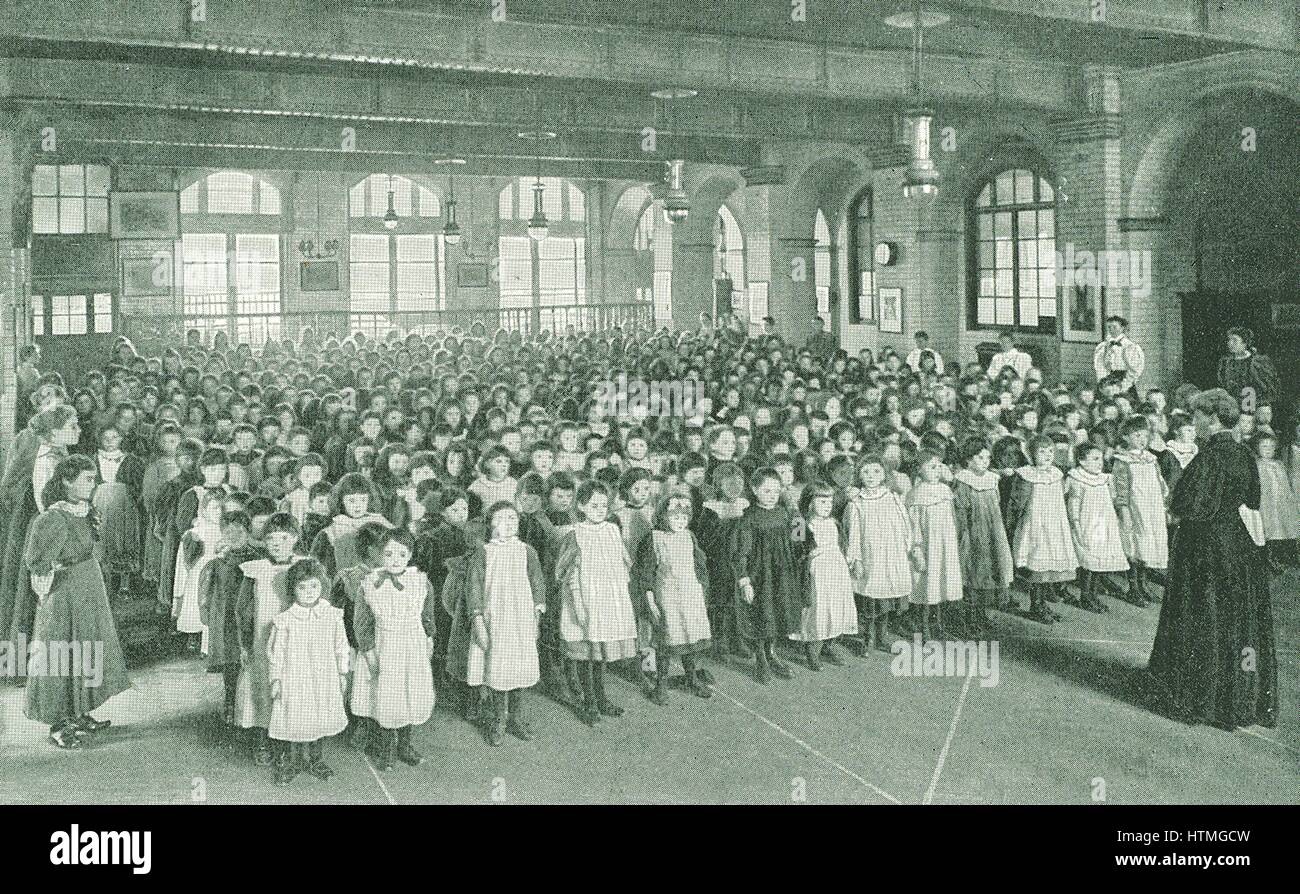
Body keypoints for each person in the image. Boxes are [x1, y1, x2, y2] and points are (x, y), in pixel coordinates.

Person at [1146, 388, 1276, 730]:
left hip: (1205, 547)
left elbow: (1186, 506)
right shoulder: (1244, 454)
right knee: (1234, 622)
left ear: (1213, 418)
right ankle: (1238, 697)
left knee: (1204, 618)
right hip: (1237, 545)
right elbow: (1252, 498)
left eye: (1199, 417)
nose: (1196, 422)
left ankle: (1201, 698)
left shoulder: (1209, 458)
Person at [23, 454, 131, 748]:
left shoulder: (84, 510)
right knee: (60, 651)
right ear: (66, 481)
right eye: (86, 479)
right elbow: (35, 560)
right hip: (64, 592)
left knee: (87, 645)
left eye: (93, 478)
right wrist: (54, 572)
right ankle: (59, 724)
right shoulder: (52, 518)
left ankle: (80, 713)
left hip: (89, 585)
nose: (92, 484)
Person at [465, 501, 547, 745]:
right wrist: (478, 619)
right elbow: (474, 588)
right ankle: (499, 718)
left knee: (519, 670)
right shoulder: (484, 552)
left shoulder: (526, 550)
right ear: (490, 523)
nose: (508, 523)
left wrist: (536, 616)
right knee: (499, 671)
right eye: (501, 518)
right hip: (496, 619)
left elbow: (537, 582)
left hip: (520, 620)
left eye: (512, 518)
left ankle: (516, 718)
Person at [267, 557, 349, 786]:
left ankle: (315, 759)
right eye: (302, 587)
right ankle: (291, 762)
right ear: (293, 590)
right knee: (295, 718)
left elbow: (341, 646)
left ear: (322, 585)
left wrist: (342, 673)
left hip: (324, 678)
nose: (309, 592)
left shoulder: (332, 615)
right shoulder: (286, 620)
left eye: (314, 586)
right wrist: (276, 679)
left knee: (320, 717)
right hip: (295, 678)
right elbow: (276, 651)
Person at [1216, 327, 1280, 430]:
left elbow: (1267, 390)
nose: (1230, 343)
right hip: (1232, 407)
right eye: (1229, 340)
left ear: (1245, 343)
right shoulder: (1225, 362)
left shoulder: (1257, 362)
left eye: (1234, 340)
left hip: (1254, 407)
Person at [1093, 316, 1146, 398]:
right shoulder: (1103, 346)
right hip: (1106, 380)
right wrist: (1102, 381)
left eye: (1114, 327)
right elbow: (1099, 366)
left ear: (1122, 328)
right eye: (1109, 327)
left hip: (1123, 380)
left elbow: (1135, 369)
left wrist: (1124, 385)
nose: (1111, 330)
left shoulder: (1129, 346)